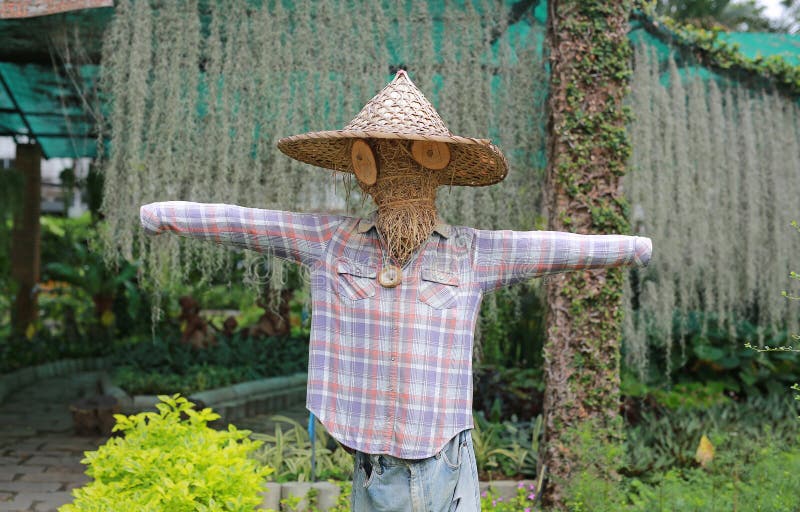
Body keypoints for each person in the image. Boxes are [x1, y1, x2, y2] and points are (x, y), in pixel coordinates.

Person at [140, 70, 652, 511]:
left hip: (442, 451)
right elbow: (247, 224)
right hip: (372, 454)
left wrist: (632, 247)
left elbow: (556, 248)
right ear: (364, 169)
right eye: (385, 163)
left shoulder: (472, 253)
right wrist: (164, 216)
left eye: (415, 163)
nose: (400, 180)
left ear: (439, 168)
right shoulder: (332, 242)